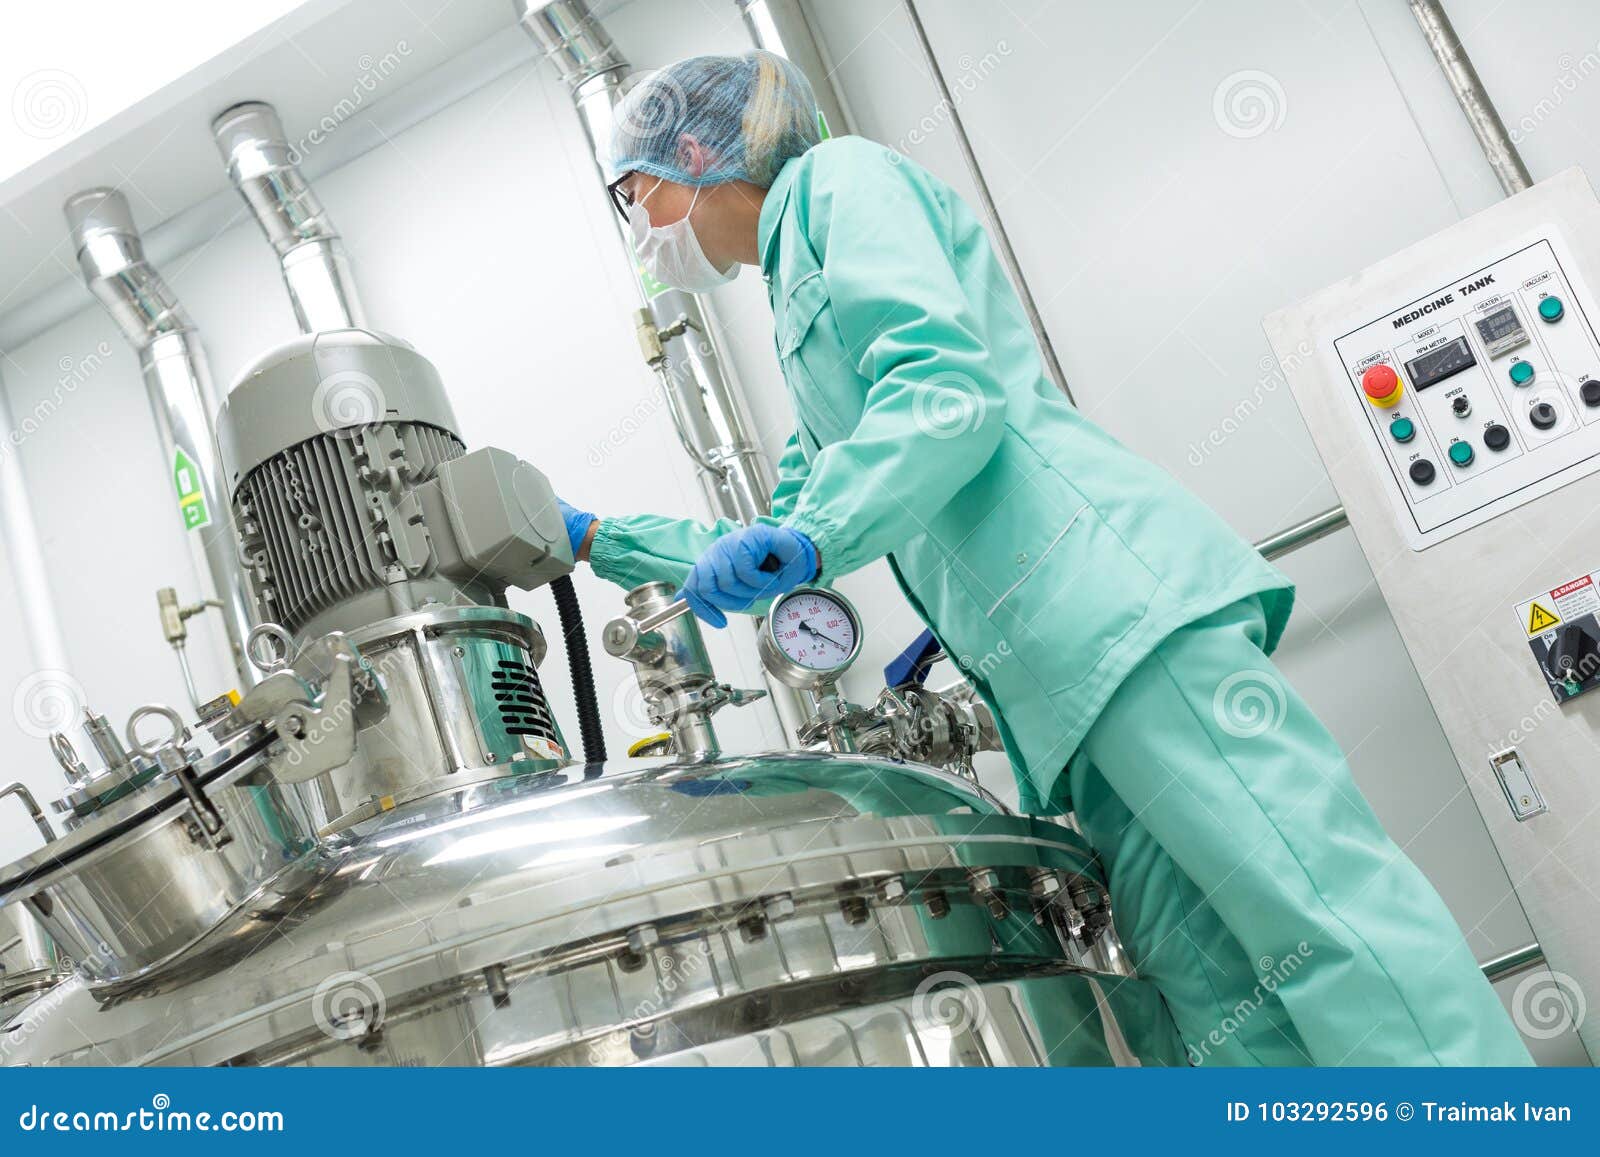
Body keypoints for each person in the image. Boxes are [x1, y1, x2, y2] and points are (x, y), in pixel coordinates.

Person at [557, 50, 1531, 1066]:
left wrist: (810, 538)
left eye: (638, 194)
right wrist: (595, 538)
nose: (642, 230)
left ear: (701, 154)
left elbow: (944, 394)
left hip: (1113, 613)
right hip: (1057, 683)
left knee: (1315, 905)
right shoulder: (795, 307)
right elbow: (783, 520)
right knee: (1207, 977)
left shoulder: (840, 185)